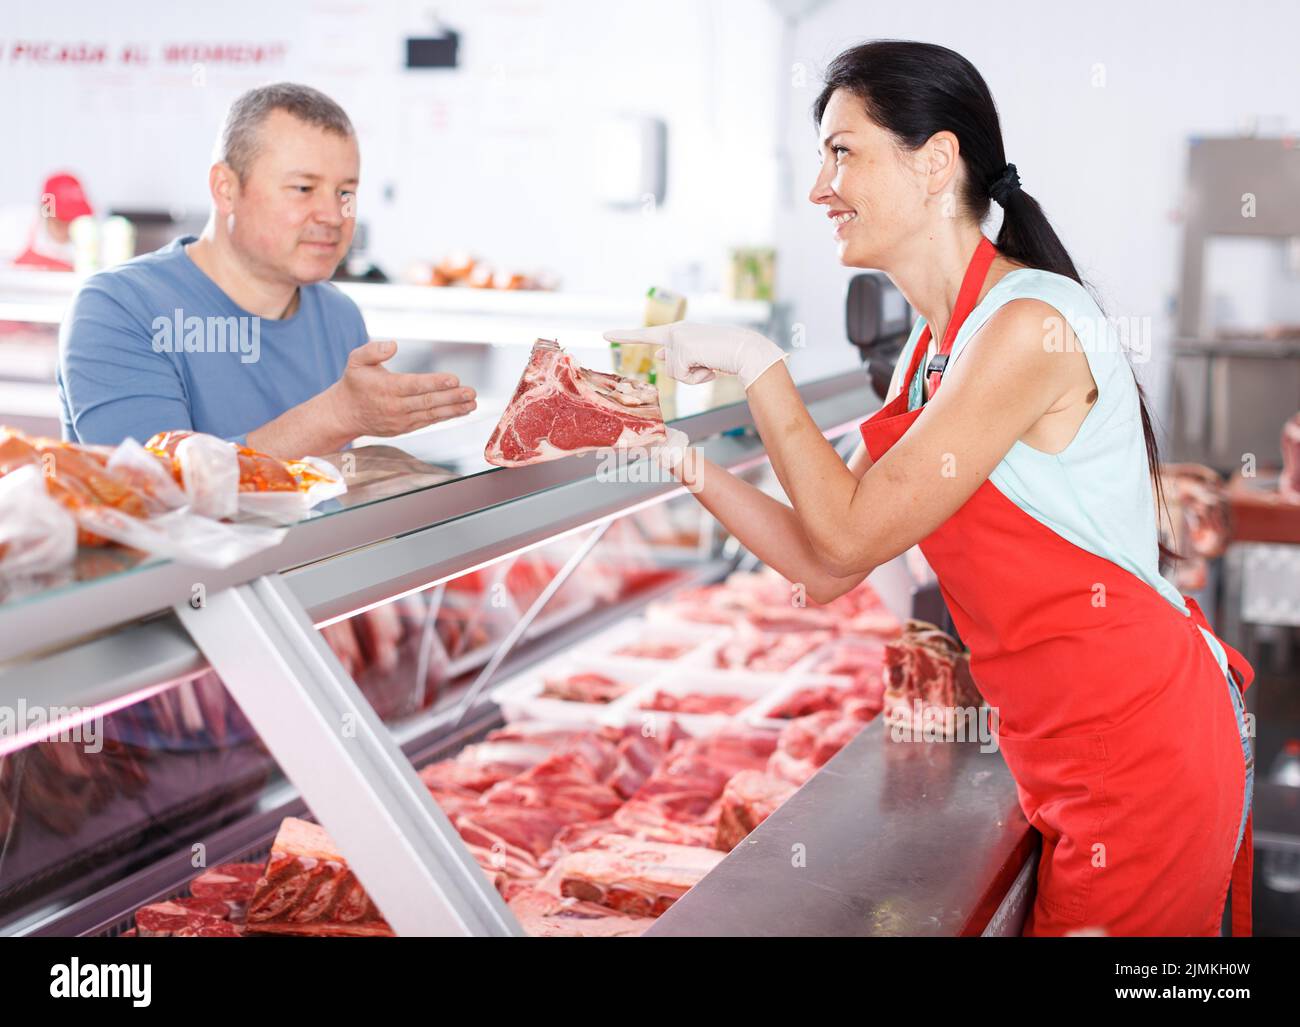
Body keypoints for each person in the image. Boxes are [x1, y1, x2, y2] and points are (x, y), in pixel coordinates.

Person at [606, 40, 1255, 937]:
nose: (819, 190)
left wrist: (760, 366)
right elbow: (824, 562)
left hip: (1138, 745)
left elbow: (845, 534)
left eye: (843, 152)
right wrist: (671, 454)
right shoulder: (929, 349)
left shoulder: (1027, 325)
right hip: (1059, 747)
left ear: (937, 160)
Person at [57, 82, 476, 456]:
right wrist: (336, 415)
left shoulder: (339, 315)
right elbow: (154, 491)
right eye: (303, 189)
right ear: (226, 189)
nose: (333, 214)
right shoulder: (119, 307)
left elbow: (326, 491)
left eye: (345, 191)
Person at [0, 172, 93, 271]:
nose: (66, 225)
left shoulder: (87, 245)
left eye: (72, 218)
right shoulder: (14, 223)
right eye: (61, 219)